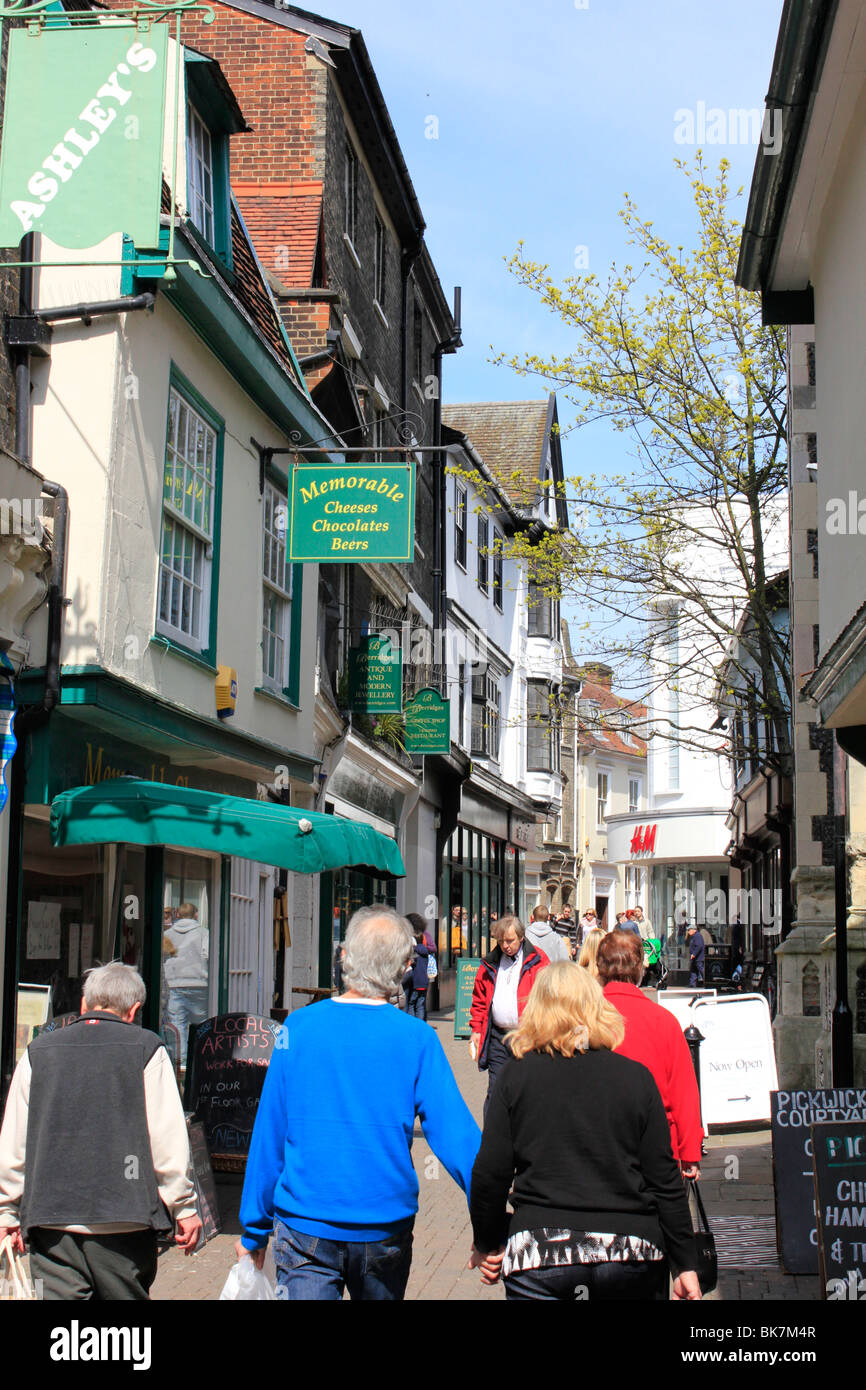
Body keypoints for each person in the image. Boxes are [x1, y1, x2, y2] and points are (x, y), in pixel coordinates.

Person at [236, 906, 480, 1300]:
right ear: (404, 966)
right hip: (383, 1222)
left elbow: (270, 1132)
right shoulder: (417, 1038)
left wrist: (254, 1228)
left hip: (306, 1222)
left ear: (344, 956)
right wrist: (487, 1220)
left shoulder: (297, 1027)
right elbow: (457, 1136)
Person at [469, 961, 701, 1301]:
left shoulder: (515, 1078)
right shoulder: (636, 1078)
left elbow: (490, 1174)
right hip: (630, 1250)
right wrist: (685, 1264)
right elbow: (664, 1180)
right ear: (596, 1008)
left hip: (540, 1251)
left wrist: (488, 1243)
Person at [0, 962, 201, 1300]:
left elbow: (14, 1141)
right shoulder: (147, 1050)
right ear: (134, 1010)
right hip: (126, 1218)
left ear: (83, 1005)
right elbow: (167, 1139)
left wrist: (7, 1210)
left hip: (52, 1219)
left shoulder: (38, 1052)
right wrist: (184, 1207)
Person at [596, 930, 703, 1177]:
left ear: (601, 966)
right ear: (639, 968)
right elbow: (683, 1092)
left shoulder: (584, 1017)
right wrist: (689, 1154)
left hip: (596, 1147)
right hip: (658, 1149)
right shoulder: (663, 1021)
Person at [469, 916, 548, 1119]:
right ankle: (493, 1140)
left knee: (527, 1091)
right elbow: (478, 1000)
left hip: (528, 1037)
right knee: (496, 1090)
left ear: (521, 938)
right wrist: (476, 1030)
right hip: (498, 1037)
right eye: (501, 941)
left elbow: (550, 997)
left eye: (510, 941)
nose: (506, 946)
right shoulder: (489, 963)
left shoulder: (538, 960)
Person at [163, 901, 210, 1055]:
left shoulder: (167, 935)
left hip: (174, 983)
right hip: (199, 983)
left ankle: (181, 1063)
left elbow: (163, 955)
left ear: (177, 914)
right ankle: (201, 1058)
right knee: (201, 1025)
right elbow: (207, 954)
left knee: (177, 1025)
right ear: (196, 914)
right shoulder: (203, 933)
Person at [403, 923, 435, 1020]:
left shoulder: (414, 952)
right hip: (424, 983)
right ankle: (421, 1023)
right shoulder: (426, 952)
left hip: (416, 982)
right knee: (420, 1005)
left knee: (411, 1004)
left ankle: (412, 1023)